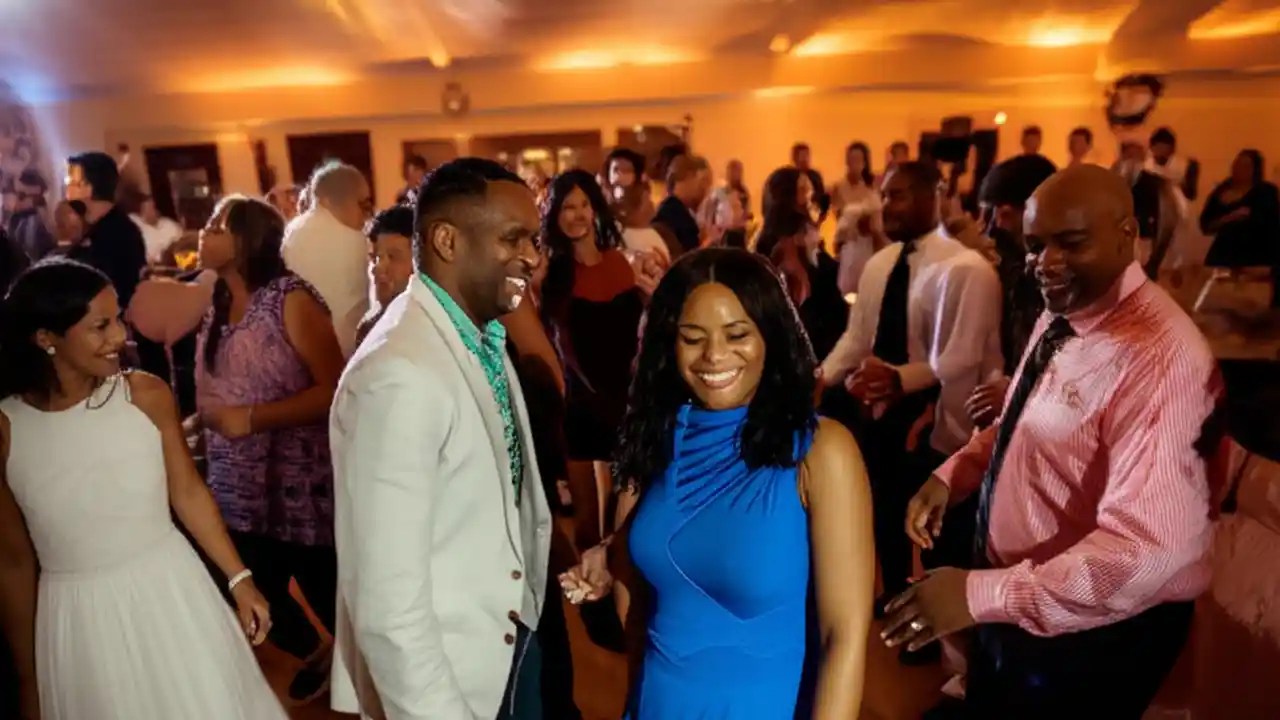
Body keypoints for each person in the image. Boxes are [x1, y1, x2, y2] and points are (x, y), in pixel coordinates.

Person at [888, 165, 1220, 718]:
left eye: (1071, 243)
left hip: (1096, 628)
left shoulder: (1161, 362)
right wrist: (956, 473)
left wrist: (979, 594)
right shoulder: (1068, 308)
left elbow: (1140, 555)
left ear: (1126, 233)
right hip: (1028, 601)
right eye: (1036, 246)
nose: (1046, 263)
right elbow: (1029, 422)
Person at [560, 247, 874, 718]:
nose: (714, 356)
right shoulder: (655, 441)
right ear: (669, 343)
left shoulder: (821, 451)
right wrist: (611, 555)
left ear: (770, 334)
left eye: (737, 334)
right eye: (692, 337)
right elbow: (640, 611)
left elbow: (844, 637)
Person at [0, 259, 284, 720]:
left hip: (170, 591)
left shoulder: (145, 396)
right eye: (100, 326)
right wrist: (29, 674)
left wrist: (239, 579)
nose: (120, 337)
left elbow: (188, 492)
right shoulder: (8, 429)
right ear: (45, 338)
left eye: (118, 319)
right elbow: (12, 559)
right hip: (77, 619)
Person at [329, 158, 553, 720]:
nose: (532, 255)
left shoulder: (479, 330)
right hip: (452, 679)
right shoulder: (397, 374)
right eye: (513, 238)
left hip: (502, 640)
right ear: (447, 240)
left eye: (533, 238)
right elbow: (387, 604)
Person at [820, 162, 1001, 651]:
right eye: (884, 195)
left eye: (899, 195)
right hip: (883, 410)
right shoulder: (880, 265)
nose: (888, 207)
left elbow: (959, 358)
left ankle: (945, 631)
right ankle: (899, 598)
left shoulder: (964, 267)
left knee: (939, 528)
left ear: (933, 196)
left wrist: (899, 379)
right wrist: (822, 377)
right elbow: (858, 338)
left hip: (944, 416)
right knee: (885, 508)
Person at [196, 195, 345, 705]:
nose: (203, 232)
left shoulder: (290, 298)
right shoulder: (215, 303)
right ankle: (319, 652)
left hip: (300, 484)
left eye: (218, 225)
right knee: (237, 579)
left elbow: (335, 388)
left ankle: (367, 674)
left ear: (249, 240)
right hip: (236, 486)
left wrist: (253, 419)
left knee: (330, 591)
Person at [281, 161, 373, 357]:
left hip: (295, 354)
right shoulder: (363, 243)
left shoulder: (290, 235)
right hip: (349, 355)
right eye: (362, 204)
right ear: (329, 201)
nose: (367, 214)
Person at [64, 152, 147, 309]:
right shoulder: (94, 229)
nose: (67, 188)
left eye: (71, 182)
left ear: (88, 188)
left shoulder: (118, 234)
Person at [356, 204, 415, 348]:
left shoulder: (436, 328)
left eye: (393, 256)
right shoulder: (368, 330)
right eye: (375, 258)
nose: (377, 268)